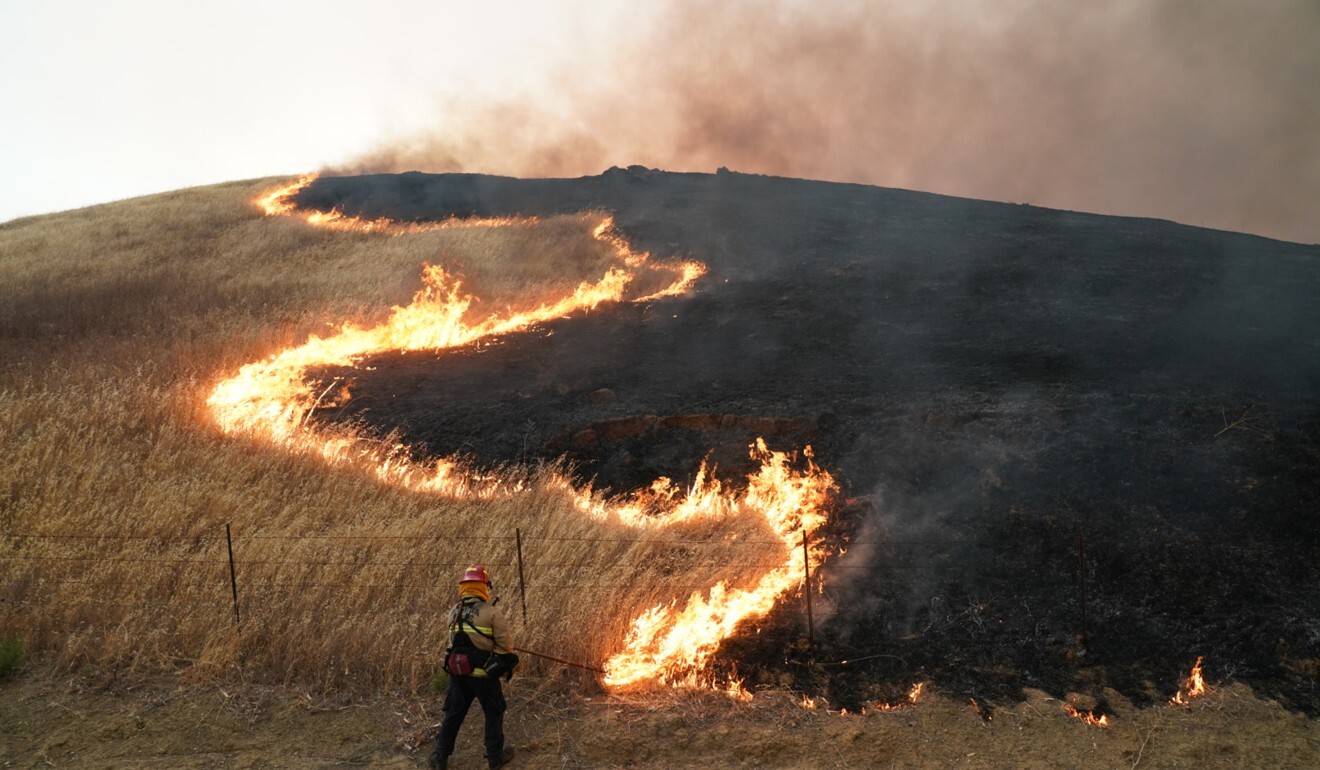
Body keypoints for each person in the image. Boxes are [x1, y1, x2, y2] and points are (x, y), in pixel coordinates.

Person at [429, 564, 517, 770]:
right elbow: (506, 647)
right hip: (484, 676)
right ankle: (495, 758)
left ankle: (440, 757)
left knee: (454, 713)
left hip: (458, 675)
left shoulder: (453, 612)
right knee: (494, 712)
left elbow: (454, 642)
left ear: (464, 587)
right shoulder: (491, 612)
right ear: (482, 586)